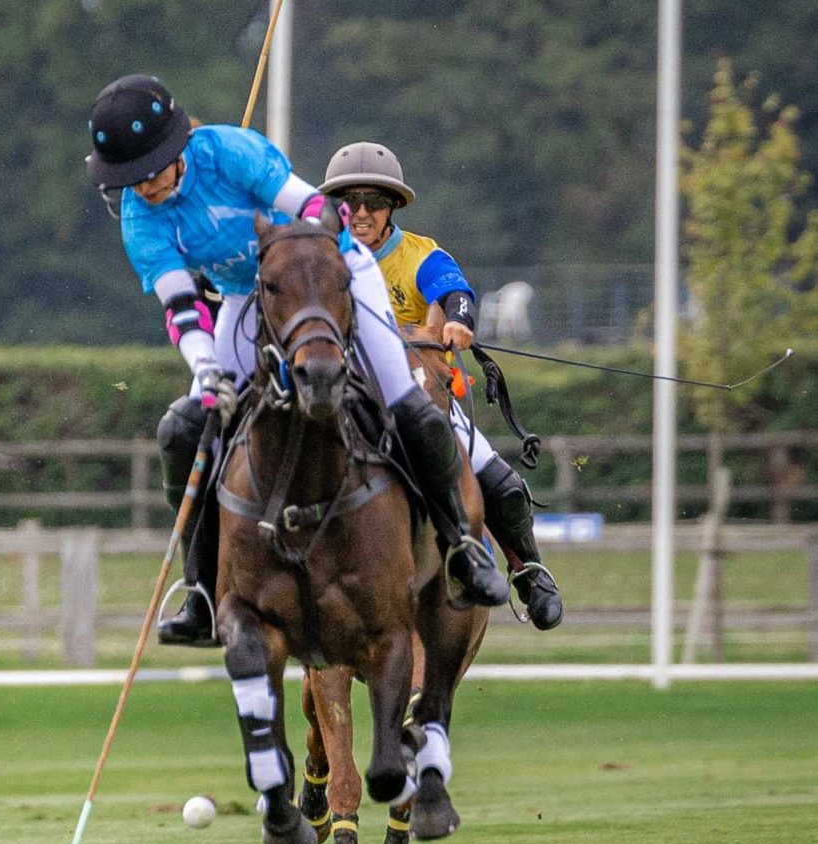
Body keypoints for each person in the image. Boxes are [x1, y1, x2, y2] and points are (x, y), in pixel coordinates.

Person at [83, 74, 508, 648]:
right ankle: (201, 589)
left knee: (408, 403)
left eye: (148, 171)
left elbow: (311, 206)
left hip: (327, 274)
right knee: (186, 427)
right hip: (247, 295)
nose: (143, 188)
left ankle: (461, 547)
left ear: (175, 150)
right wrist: (206, 368)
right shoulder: (140, 217)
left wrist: (307, 298)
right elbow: (181, 306)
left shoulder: (232, 152)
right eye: (129, 179)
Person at [320, 141, 563, 628]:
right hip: (340, 396)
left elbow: (454, 291)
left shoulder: (420, 255)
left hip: (416, 395)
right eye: (352, 202)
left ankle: (528, 570)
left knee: (503, 483)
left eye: (376, 201)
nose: (363, 213)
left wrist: (457, 320)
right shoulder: (321, 255)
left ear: (393, 208)